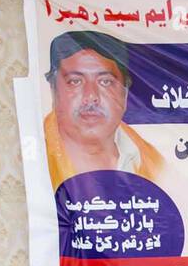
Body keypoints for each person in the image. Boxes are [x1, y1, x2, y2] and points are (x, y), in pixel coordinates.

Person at [44, 30, 164, 190]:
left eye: (105, 82)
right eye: (75, 81)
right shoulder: (37, 158)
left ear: (125, 92)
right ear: (53, 89)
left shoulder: (152, 162)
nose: (91, 96)